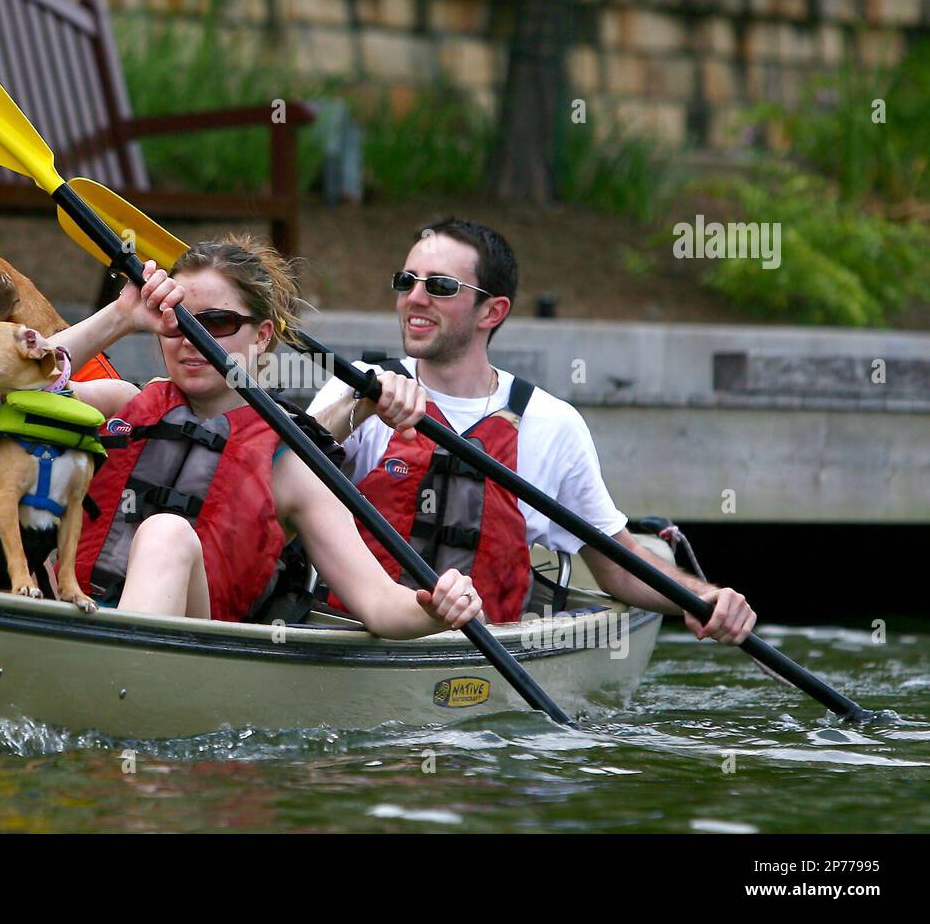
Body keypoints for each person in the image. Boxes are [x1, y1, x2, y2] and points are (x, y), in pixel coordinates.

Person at [307, 217, 758, 645]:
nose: (415, 298)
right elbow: (277, 487)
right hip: (353, 635)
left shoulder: (552, 424)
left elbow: (614, 565)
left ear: (492, 311)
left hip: (488, 651)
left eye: (441, 286)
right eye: (406, 281)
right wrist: (360, 408)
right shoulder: (359, 383)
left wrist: (700, 598)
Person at [48, 237, 483, 639]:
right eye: (177, 322)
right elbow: (15, 385)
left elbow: (379, 603)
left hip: (193, 661)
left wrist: (440, 609)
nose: (191, 340)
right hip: (78, 622)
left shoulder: (293, 465)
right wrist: (120, 316)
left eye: (216, 322)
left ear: (262, 335)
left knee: (166, 533)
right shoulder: (122, 403)